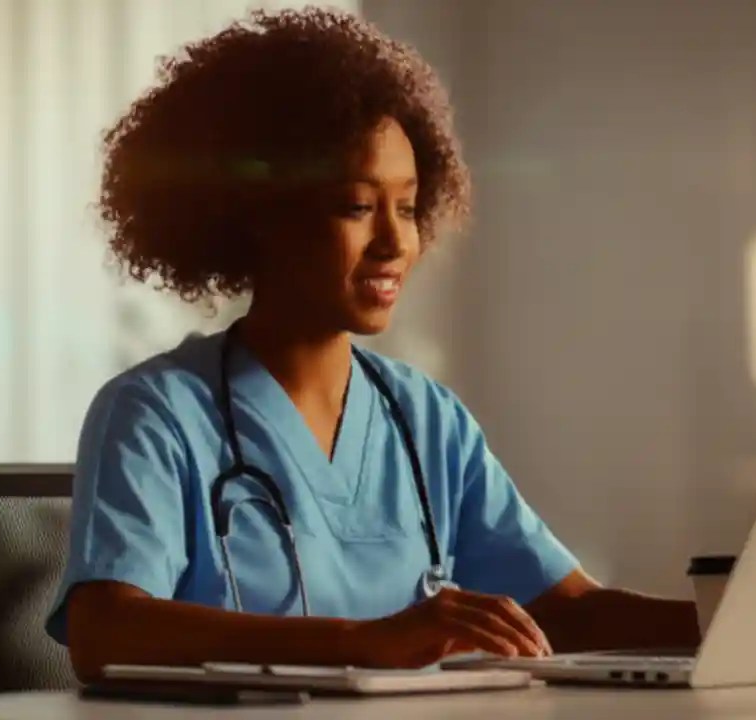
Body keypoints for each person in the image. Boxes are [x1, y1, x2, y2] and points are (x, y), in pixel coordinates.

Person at [46, 7, 698, 682]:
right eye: (357, 207)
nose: (394, 243)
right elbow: (106, 631)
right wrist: (364, 640)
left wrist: (735, 618)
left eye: (409, 208)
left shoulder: (425, 419)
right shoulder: (156, 414)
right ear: (257, 214)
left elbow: (565, 611)